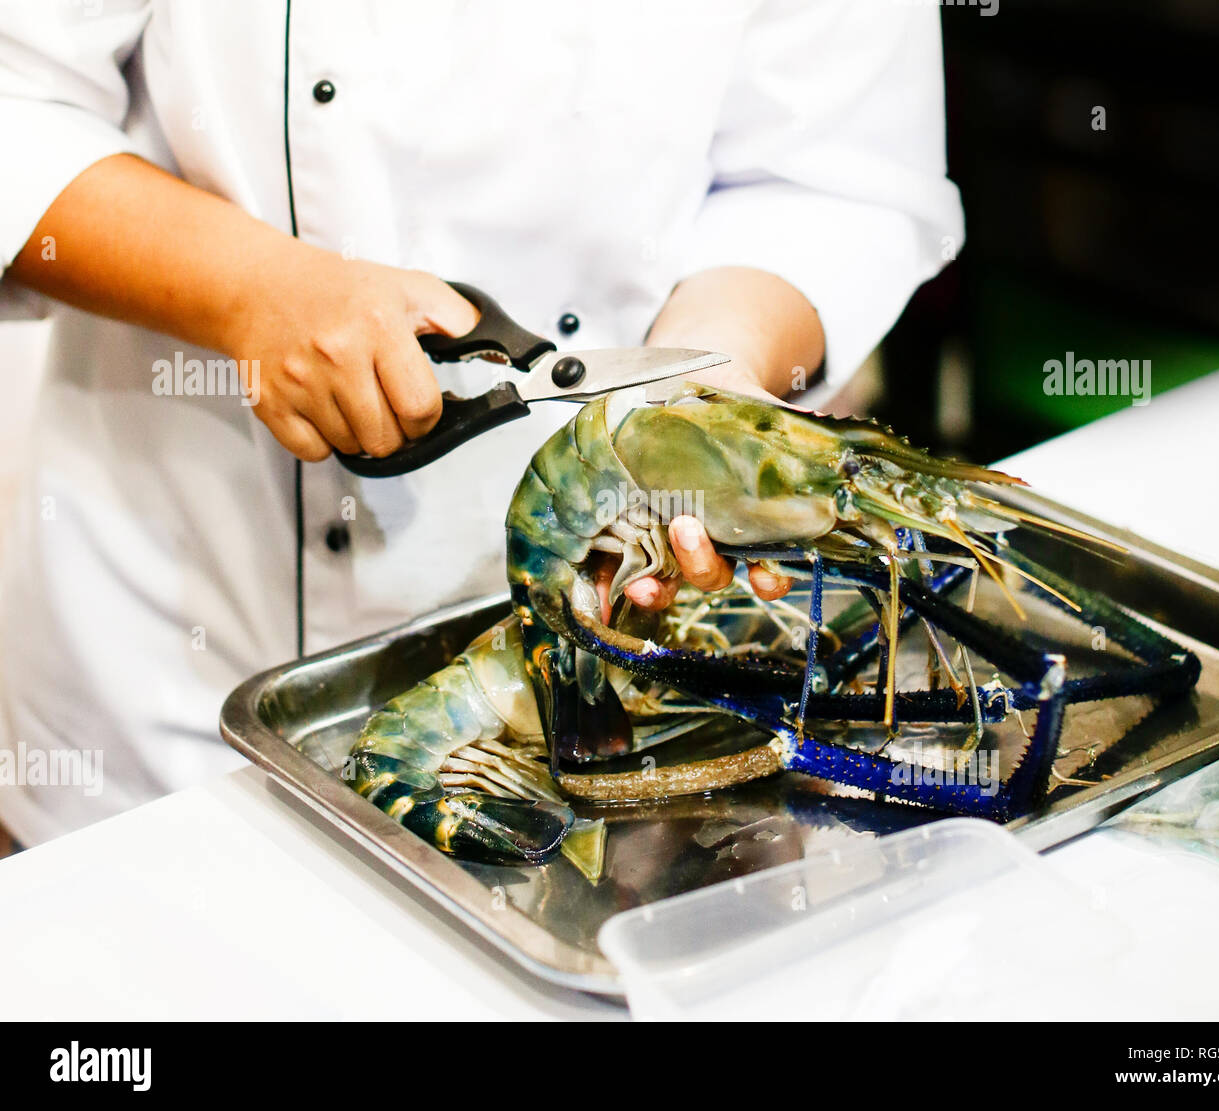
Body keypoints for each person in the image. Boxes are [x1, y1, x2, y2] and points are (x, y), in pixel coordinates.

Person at [0, 1, 963, 844]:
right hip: (163, 647)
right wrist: (250, 290)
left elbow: (838, 177)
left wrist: (709, 379)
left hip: (613, 666)